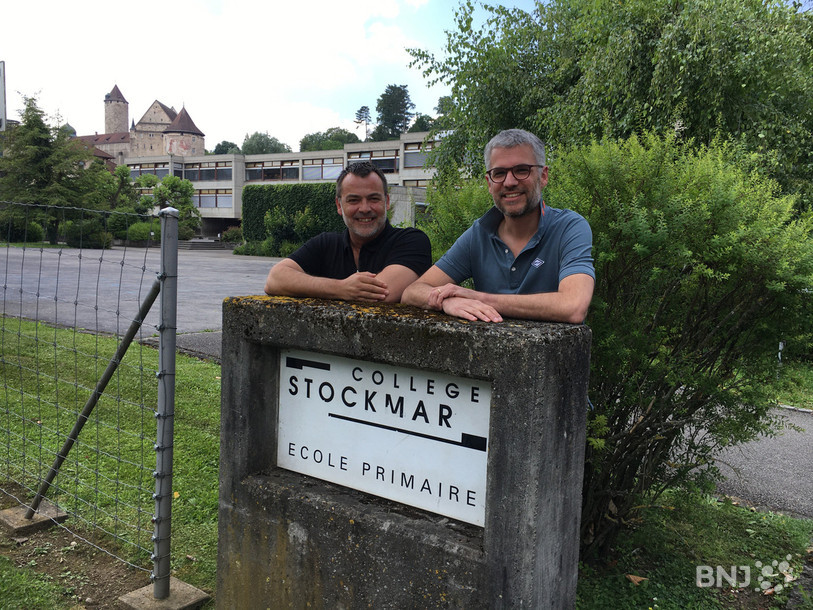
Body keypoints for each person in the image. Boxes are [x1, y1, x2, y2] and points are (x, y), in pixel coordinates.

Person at [402, 129, 594, 323]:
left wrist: (477, 298)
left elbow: (573, 306)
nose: (509, 182)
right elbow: (412, 291)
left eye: (521, 170)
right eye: (499, 173)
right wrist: (444, 303)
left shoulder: (569, 228)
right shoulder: (479, 234)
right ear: (488, 183)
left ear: (543, 176)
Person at [264, 161, 431, 302]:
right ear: (339, 205)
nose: (364, 208)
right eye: (354, 200)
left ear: (386, 202)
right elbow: (275, 279)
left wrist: (316, 287)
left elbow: (380, 295)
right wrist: (341, 288)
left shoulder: (412, 241)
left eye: (373, 199)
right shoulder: (326, 244)